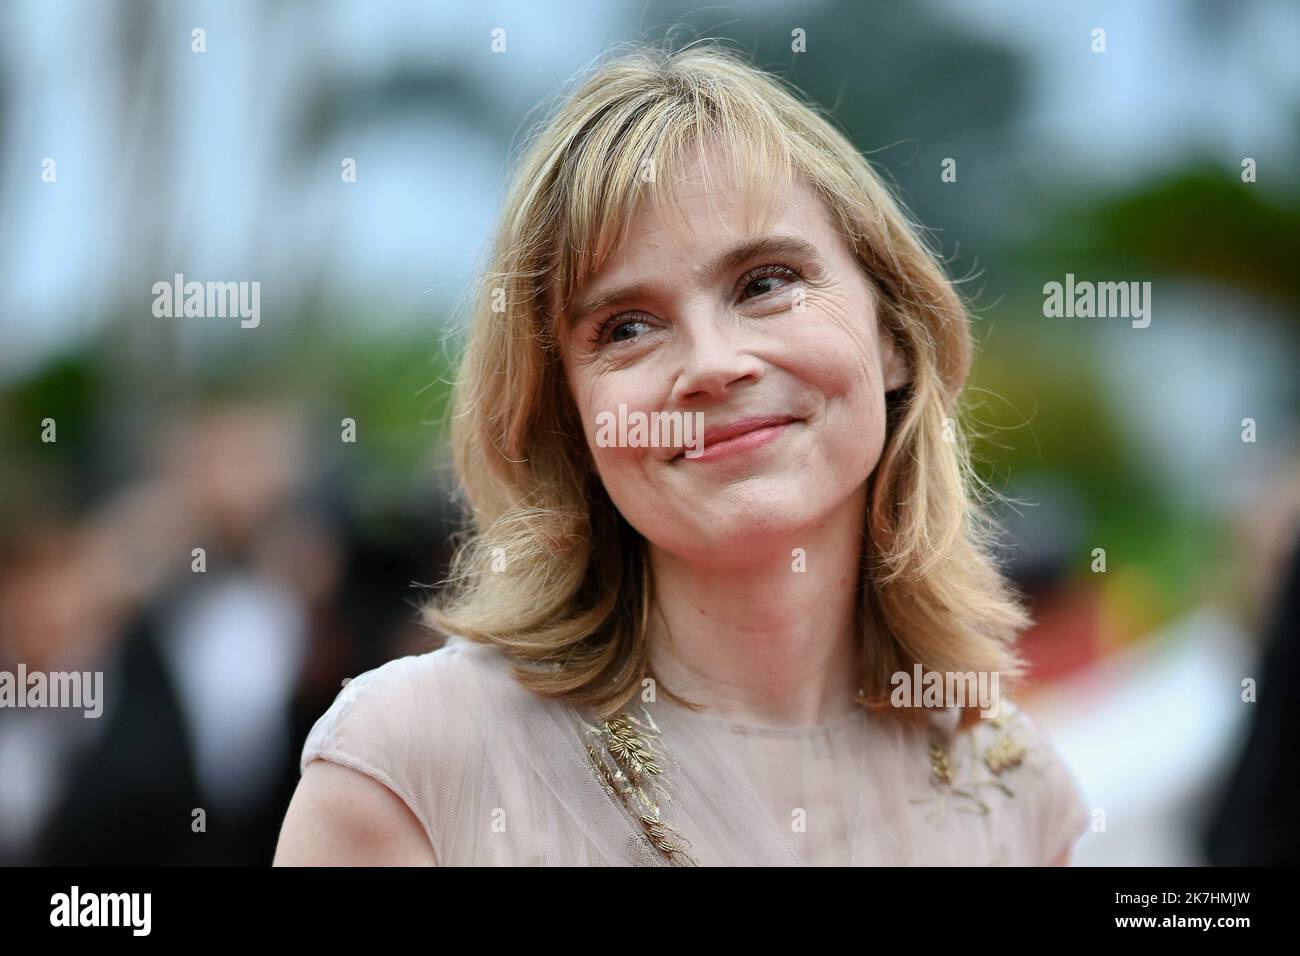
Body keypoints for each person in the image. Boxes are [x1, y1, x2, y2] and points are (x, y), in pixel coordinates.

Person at [274, 42, 1088, 867]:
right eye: (625, 328)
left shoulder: (1018, 795)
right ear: (570, 424)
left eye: (765, 282)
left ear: (892, 336)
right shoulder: (406, 769)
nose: (710, 363)